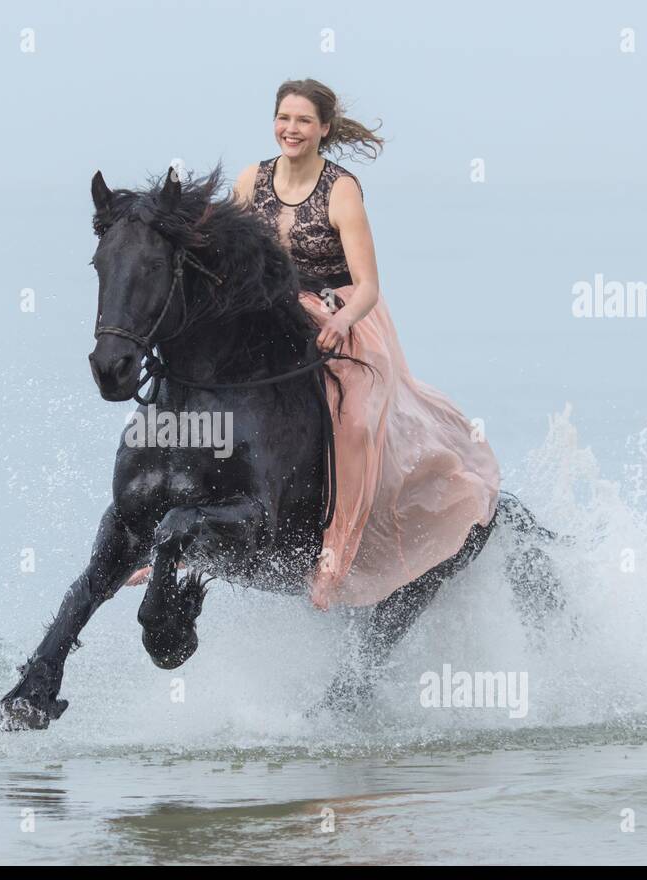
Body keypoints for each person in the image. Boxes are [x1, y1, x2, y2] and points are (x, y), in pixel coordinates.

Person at [130, 78, 500, 611]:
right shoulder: (251, 179)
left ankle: (335, 555)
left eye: (303, 120)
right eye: (284, 118)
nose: (291, 129)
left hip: (338, 312)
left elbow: (369, 285)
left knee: (350, 419)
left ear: (323, 129)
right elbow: (221, 256)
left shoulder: (341, 189)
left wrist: (341, 318)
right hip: (266, 311)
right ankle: (172, 537)